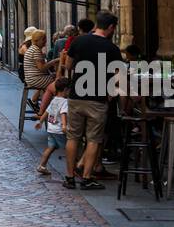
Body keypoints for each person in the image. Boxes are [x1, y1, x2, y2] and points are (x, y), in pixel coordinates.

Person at [62, 10, 121, 191]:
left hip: (77, 96)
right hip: (97, 99)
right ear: (110, 27)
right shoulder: (112, 48)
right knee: (93, 139)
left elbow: (69, 65)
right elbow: (119, 75)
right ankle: (87, 178)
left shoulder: (79, 40)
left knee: (73, 137)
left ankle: (70, 177)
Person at [35, 76, 70, 176]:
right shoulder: (65, 101)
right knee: (68, 149)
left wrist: (40, 122)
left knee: (50, 147)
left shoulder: (54, 100)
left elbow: (46, 112)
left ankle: (42, 165)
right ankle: (72, 169)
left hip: (51, 129)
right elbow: (64, 114)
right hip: (59, 130)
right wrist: (64, 125)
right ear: (66, 90)